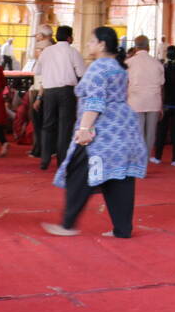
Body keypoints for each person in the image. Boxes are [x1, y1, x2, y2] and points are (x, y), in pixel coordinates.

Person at [42, 27, 147, 239]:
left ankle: (68, 224)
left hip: (103, 132)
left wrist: (84, 129)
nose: (88, 45)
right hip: (124, 128)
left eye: (91, 41)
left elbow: (95, 101)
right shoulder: (118, 67)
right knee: (119, 178)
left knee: (78, 176)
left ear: (102, 44)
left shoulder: (99, 67)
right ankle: (122, 229)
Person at [31, 25, 85, 169]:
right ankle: (62, 161)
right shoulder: (73, 52)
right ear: (70, 38)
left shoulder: (47, 52)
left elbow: (37, 71)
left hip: (49, 92)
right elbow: (81, 74)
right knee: (64, 127)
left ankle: (45, 159)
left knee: (48, 125)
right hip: (67, 92)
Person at [127, 35, 165, 167]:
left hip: (135, 101)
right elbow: (161, 86)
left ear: (135, 47)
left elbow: (125, 84)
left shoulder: (129, 63)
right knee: (150, 134)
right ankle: (145, 162)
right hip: (153, 101)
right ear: (148, 47)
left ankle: (137, 161)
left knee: (138, 133)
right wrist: (161, 106)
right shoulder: (157, 63)